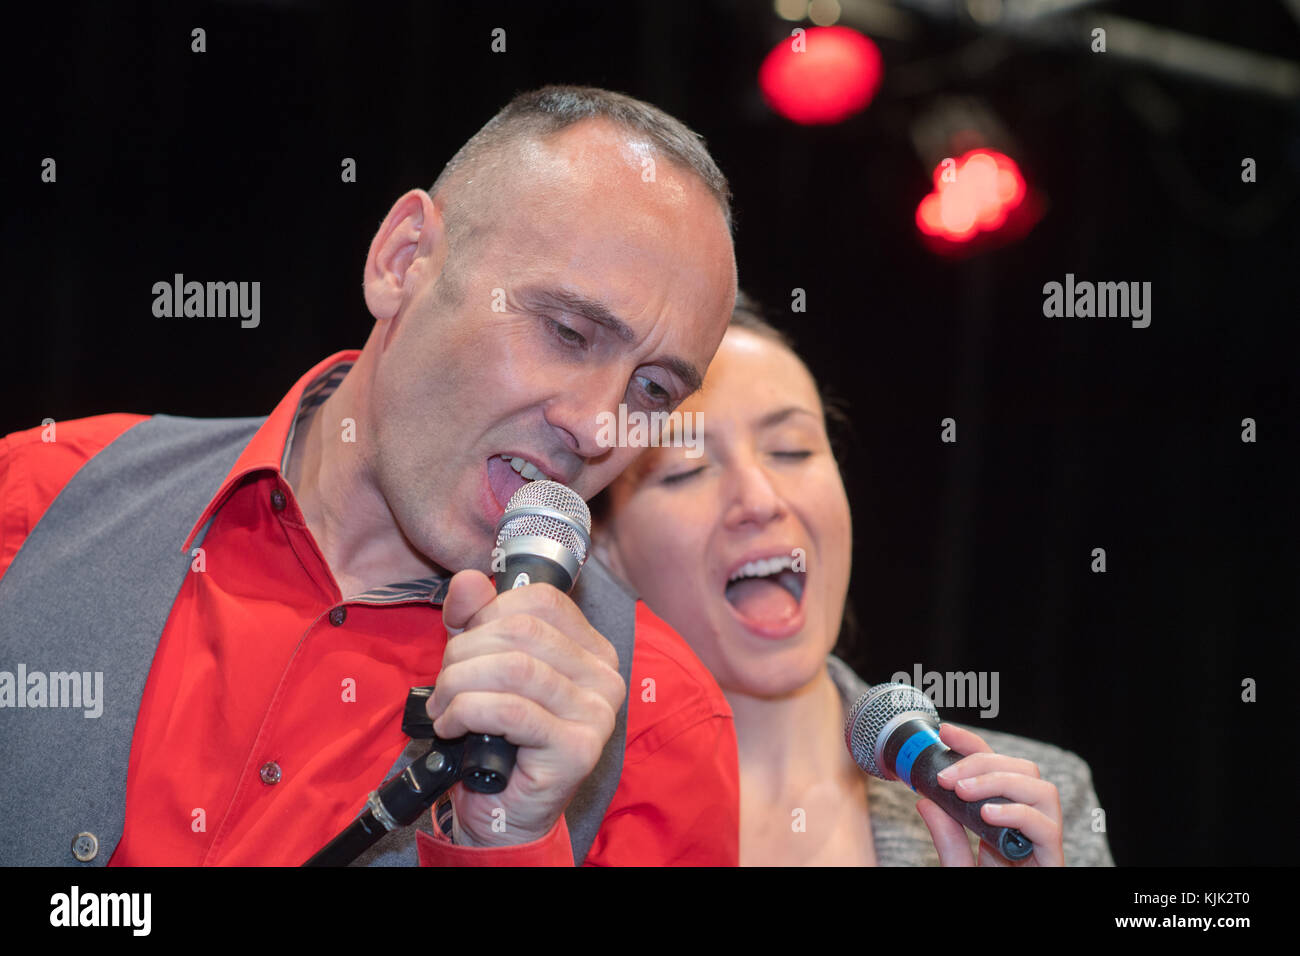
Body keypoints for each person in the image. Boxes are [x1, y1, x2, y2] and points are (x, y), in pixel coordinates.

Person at [0, 86, 742, 866]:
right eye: (567, 331)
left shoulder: (662, 733)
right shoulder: (40, 494)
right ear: (403, 260)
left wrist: (507, 839)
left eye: (652, 390)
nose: (598, 427)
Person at [592, 295, 1115, 866]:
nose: (760, 500)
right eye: (687, 469)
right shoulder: (553, 804)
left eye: (792, 450)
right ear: (603, 546)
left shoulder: (1022, 809)